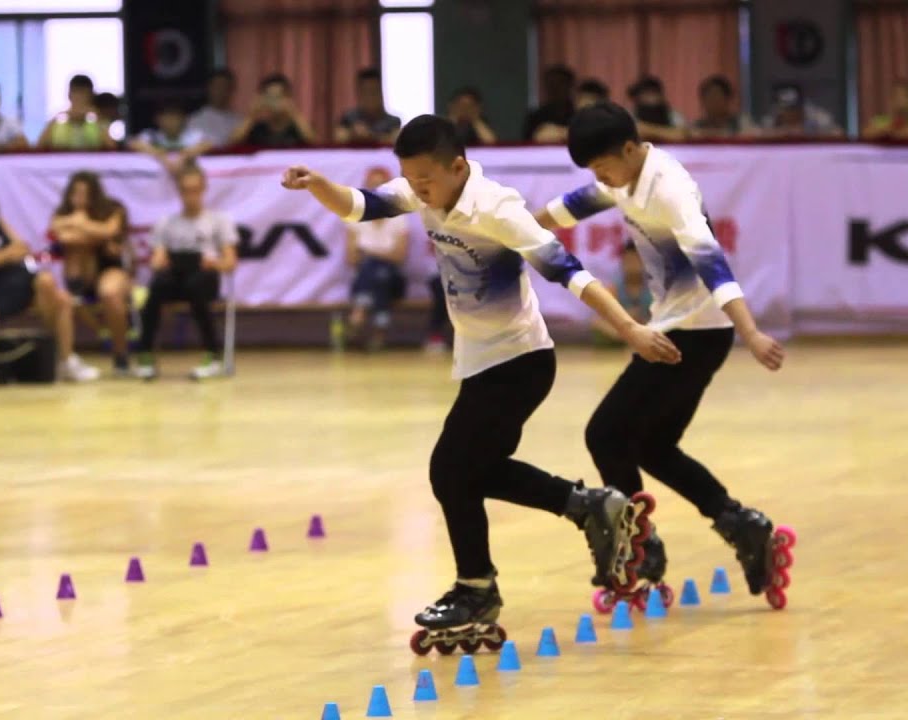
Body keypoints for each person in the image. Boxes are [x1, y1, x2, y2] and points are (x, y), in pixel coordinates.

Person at [280, 114, 675, 652]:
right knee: (477, 471)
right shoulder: (422, 190)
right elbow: (361, 206)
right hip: (479, 362)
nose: (418, 190)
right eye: (411, 180)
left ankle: (477, 588)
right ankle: (590, 506)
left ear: (458, 167)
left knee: (450, 469)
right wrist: (319, 184)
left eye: (426, 180)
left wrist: (630, 328)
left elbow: (570, 272)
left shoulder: (497, 208)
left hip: (520, 362)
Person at [534, 102, 795, 609]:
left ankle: (639, 548)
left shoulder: (671, 189)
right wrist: (515, 231)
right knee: (652, 446)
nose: (601, 177)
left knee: (606, 434)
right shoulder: (621, 176)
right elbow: (569, 206)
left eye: (604, 166)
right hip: (686, 329)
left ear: (631, 149)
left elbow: (715, 265)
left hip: (693, 334)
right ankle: (743, 525)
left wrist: (752, 332)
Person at [0, 172, 99, 382]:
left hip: (19, 279)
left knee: (60, 296)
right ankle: (57, 350)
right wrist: (8, 254)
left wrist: (6, 255)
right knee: (46, 283)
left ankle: (66, 359)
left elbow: (24, 247)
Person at [134, 164, 237, 381]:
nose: (190, 196)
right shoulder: (167, 223)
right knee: (155, 288)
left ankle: (213, 355)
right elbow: (156, 259)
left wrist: (213, 263)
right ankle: (145, 354)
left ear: (203, 189)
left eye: (195, 190)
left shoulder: (218, 221)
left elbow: (230, 262)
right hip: (176, 276)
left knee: (197, 287)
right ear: (179, 192)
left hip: (205, 276)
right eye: (185, 190)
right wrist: (160, 261)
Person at [48, 172, 132, 374]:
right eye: (76, 192)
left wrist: (80, 223)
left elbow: (110, 230)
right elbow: (62, 235)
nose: (80, 197)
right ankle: (67, 358)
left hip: (110, 269)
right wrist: (96, 233)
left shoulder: (114, 208)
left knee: (110, 293)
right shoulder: (62, 212)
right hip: (79, 274)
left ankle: (120, 354)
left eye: (85, 193)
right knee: (61, 294)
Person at [344, 167, 408, 351]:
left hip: (392, 278)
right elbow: (351, 258)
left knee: (378, 269)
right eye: (372, 186)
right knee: (378, 275)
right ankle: (380, 330)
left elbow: (400, 257)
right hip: (370, 278)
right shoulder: (355, 218)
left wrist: (369, 253)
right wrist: (379, 255)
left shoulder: (398, 218)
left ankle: (359, 312)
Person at [228, 74, 315, 148]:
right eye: (269, 97)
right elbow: (232, 143)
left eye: (279, 97)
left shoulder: (297, 127)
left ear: (288, 98)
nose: (274, 102)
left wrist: (294, 113)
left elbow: (314, 143)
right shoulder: (257, 128)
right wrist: (252, 115)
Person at [590, 243, 651, 346]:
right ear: (622, 262)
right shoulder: (614, 289)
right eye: (629, 261)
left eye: (636, 261)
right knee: (599, 326)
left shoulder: (654, 290)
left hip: (647, 332)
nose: (632, 265)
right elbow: (597, 321)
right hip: (621, 335)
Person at [37, 75, 117, 150]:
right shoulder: (56, 123)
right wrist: (58, 118)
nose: (80, 99)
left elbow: (113, 149)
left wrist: (98, 118)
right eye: (77, 94)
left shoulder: (98, 122)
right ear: (69, 96)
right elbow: (38, 148)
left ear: (91, 97)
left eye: (84, 95)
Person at [334, 68, 401, 145]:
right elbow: (339, 138)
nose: (370, 96)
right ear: (359, 93)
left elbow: (395, 140)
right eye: (366, 91)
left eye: (374, 91)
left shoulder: (393, 121)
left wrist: (371, 136)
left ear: (381, 92)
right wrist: (353, 134)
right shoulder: (349, 117)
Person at [187, 69, 242, 148]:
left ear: (232, 90)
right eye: (217, 86)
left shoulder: (238, 119)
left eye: (226, 87)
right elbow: (220, 146)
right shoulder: (195, 120)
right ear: (208, 88)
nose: (221, 91)